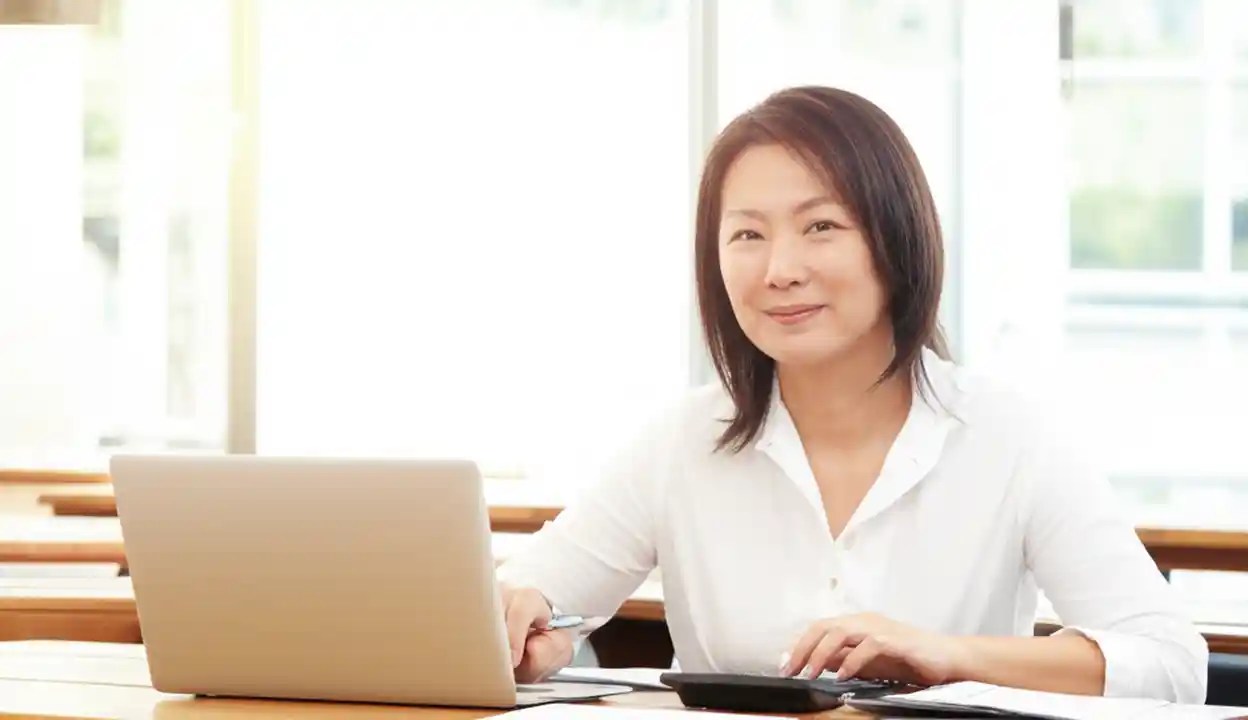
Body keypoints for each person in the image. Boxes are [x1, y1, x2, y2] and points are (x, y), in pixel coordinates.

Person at [496, 85, 1207, 702]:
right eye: (747, 234)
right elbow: (530, 597)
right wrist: (529, 626)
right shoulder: (682, 441)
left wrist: (950, 657)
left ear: (896, 240)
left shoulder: (1008, 437)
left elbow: (1172, 664)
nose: (780, 269)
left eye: (821, 227)